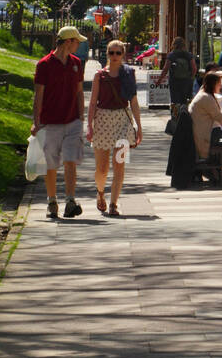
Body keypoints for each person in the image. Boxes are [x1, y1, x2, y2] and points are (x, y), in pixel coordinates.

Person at [32, 24, 87, 220]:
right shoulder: (44, 65)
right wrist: (36, 122)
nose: (78, 45)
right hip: (51, 122)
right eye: (76, 41)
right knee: (51, 164)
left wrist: (81, 117)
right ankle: (52, 201)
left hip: (72, 120)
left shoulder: (76, 63)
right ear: (68, 42)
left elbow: (80, 92)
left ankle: (70, 201)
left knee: (70, 161)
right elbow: (38, 96)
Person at [86, 38, 142, 217]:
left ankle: (113, 203)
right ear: (107, 54)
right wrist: (89, 126)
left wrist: (139, 126)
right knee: (102, 168)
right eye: (112, 52)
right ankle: (101, 192)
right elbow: (93, 102)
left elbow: (133, 101)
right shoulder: (99, 75)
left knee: (119, 165)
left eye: (118, 53)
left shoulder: (129, 73)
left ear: (123, 54)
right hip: (102, 120)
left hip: (122, 122)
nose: (115, 56)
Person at [189, 71, 222, 160]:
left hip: (201, 131)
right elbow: (220, 117)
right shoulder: (206, 97)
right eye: (219, 84)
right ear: (214, 84)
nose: (220, 87)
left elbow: (218, 114)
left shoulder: (203, 94)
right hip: (205, 135)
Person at [160, 37, 197, 113]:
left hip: (174, 81)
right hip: (187, 81)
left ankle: (175, 116)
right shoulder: (188, 55)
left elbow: (165, 69)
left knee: (175, 100)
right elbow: (194, 68)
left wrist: (159, 80)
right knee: (186, 100)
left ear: (174, 44)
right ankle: (185, 115)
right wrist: (191, 77)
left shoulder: (172, 55)